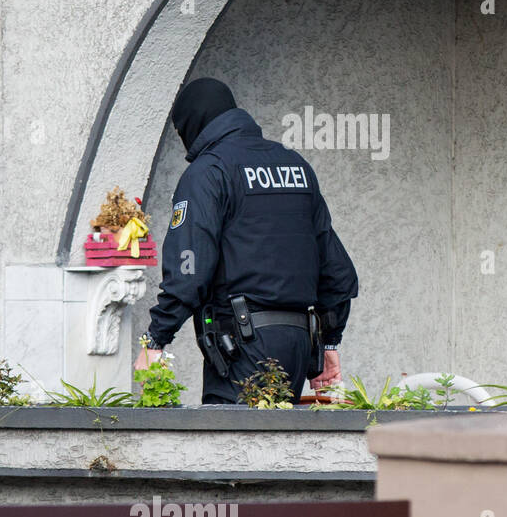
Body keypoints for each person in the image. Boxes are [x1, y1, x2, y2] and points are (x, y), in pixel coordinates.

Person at [133, 78, 359, 403]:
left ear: (192, 125)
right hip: (299, 345)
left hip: (242, 346)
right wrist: (329, 345)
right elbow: (337, 272)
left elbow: (189, 267)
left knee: (230, 449)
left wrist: (154, 339)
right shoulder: (296, 167)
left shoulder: (209, 172)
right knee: (279, 448)